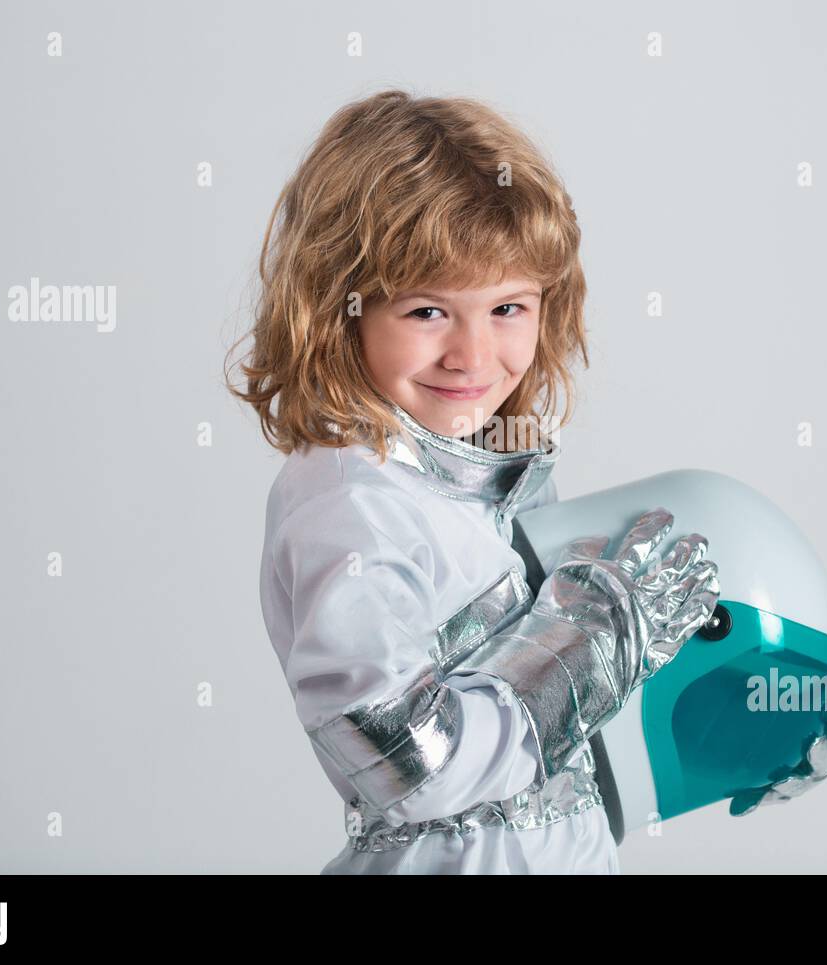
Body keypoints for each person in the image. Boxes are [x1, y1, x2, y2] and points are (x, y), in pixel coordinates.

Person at [226, 89, 718, 873]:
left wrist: (739, 737)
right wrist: (594, 640)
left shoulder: (483, 482)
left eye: (507, 307)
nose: (473, 355)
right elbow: (402, 758)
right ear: (336, 310)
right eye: (427, 311)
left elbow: (559, 771)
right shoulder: (348, 499)